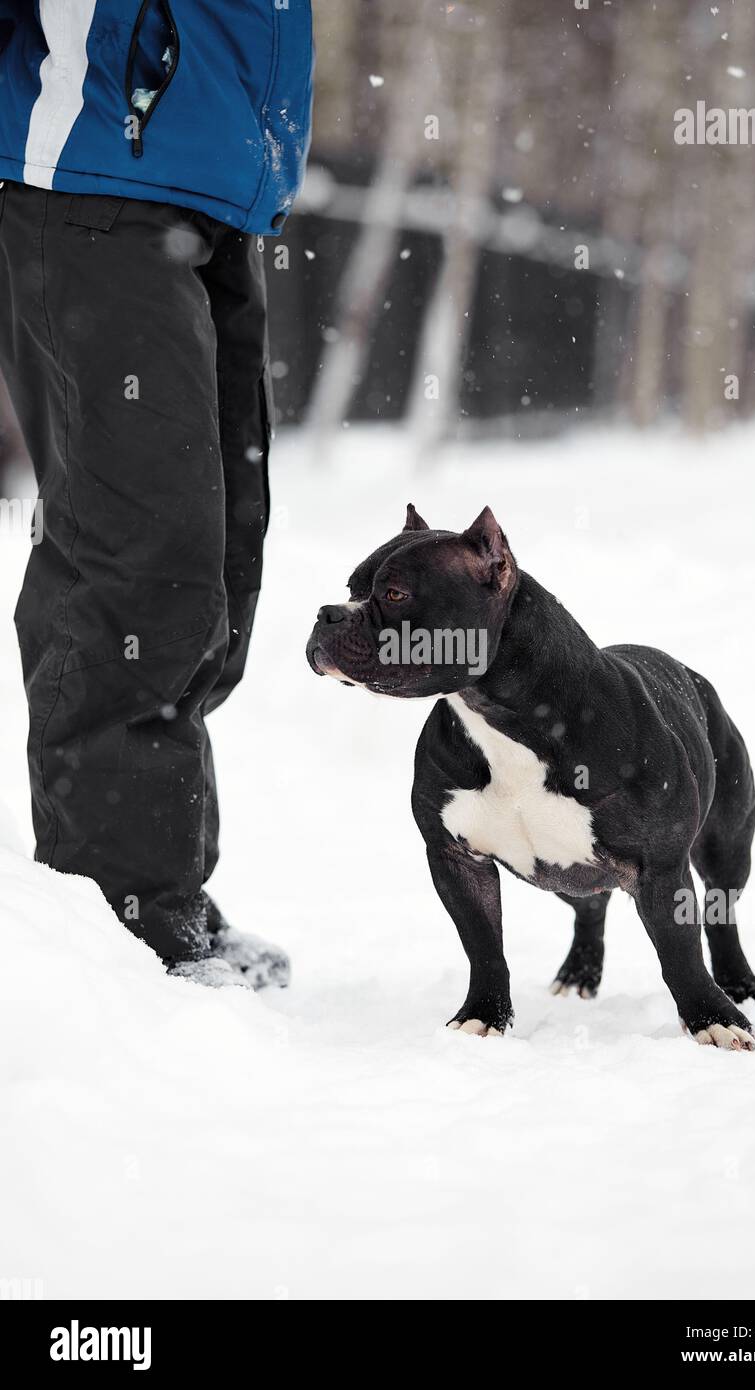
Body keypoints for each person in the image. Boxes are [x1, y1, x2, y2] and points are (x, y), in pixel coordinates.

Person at [0, 2, 313, 986]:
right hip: (95, 167)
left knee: (218, 551)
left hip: (218, 177)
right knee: (136, 548)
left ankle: (157, 888)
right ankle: (117, 915)